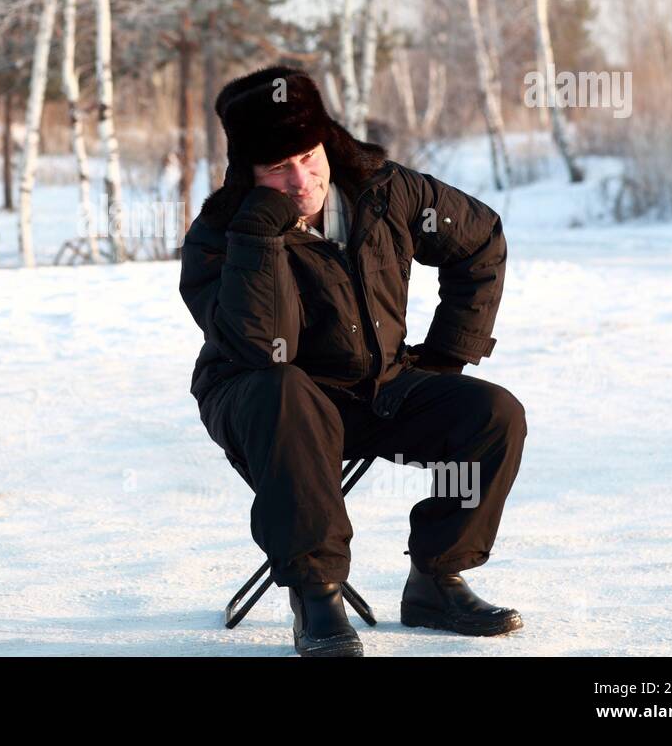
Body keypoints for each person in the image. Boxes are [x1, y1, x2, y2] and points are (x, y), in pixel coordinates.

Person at [178, 65, 527, 657]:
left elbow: (479, 239)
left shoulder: (386, 191)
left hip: (380, 386)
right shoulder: (220, 237)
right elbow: (261, 348)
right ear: (248, 172)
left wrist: (447, 354)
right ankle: (317, 598)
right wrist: (261, 235)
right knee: (286, 390)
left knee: (492, 413)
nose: (301, 178)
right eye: (278, 167)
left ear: (327, 141)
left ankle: (436, 582)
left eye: (309, 156)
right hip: (264, 401)